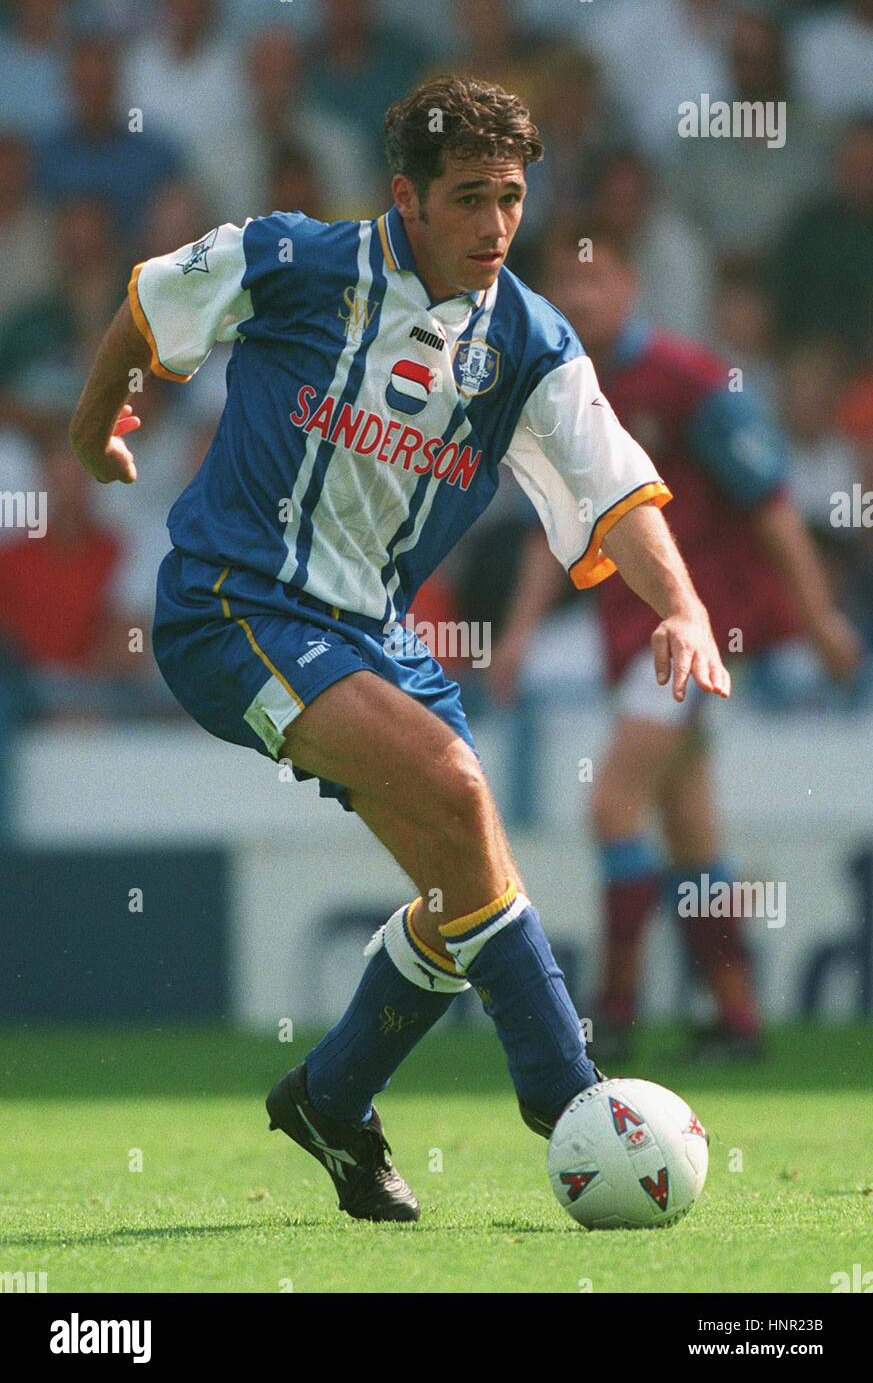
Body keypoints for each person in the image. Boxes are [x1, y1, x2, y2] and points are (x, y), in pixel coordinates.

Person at [69, 76, 730, 1223]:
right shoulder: (295, 260)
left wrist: (678, 605)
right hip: (234, 605)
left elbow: (614, 486)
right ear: (406, 197)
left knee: (462, 882)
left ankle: (331, 1098)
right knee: (456, 787)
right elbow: (150, 308)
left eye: (513, 198)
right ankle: (576, 1103)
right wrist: (94, 428)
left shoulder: (527, 340)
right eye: (468, 198)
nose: (494, 226)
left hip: (374, 638)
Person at [491, 229, 861, 1064]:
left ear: (627, 283)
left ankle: (612, 1015)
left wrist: (817, 620)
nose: (580, 297)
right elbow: (543, 530)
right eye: (562, 281)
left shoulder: (688, 381)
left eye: (596, 277)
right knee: (687, 826)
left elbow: (769, 501)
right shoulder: (554, 389)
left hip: (697, 629)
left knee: (609, 804)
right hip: (630, 638)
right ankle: (734, 1019)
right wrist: (514, 634)